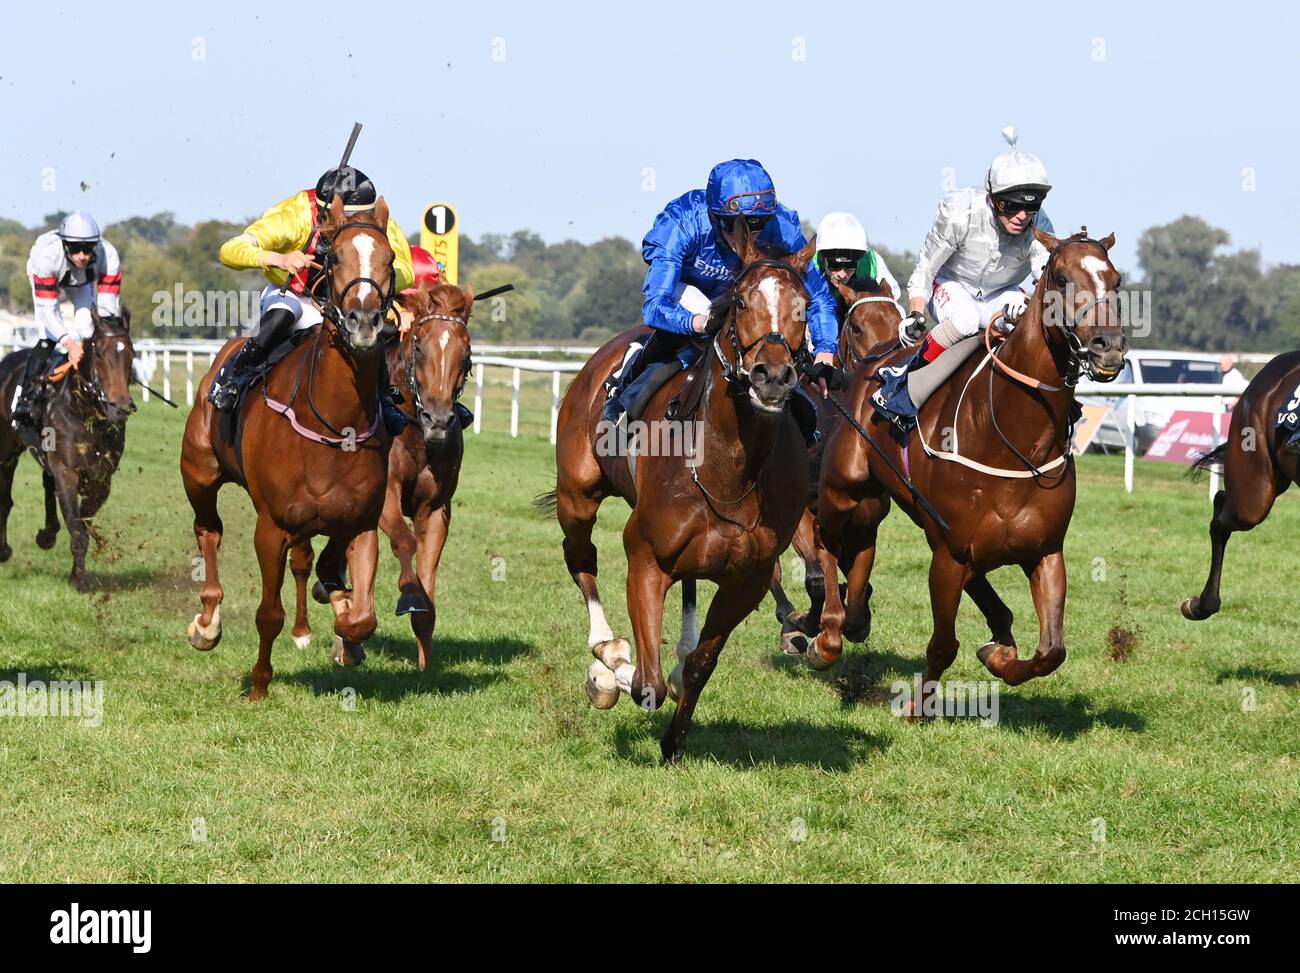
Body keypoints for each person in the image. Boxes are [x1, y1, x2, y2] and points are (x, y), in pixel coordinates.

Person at [603, 158, 841, 425]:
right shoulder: (683, 223)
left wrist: (825, 351)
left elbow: (819, 296)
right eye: (735, 224)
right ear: (714, 217)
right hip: (689, 293)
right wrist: (698, 322)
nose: (748, 236)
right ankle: (628, 384)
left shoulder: (782, 228)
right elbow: (655, 305)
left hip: (747, 297)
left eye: (759, 223)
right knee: (705, 321)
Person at [872, 128, 1056, 430]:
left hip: (1002, 291)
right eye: (1012, 205)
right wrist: (916, 313)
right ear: (993, 198)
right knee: (967, 319)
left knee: (1024, 318)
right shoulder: (960, 212)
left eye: (1031, 205)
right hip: (952, 285)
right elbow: (925, 269)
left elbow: (1043, 277)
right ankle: (903, 377)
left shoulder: (1040, 225)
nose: (1023, 215)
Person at [207, 166, 413, 431]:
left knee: (380, 330)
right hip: (296, 295)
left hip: (342, 305)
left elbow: (406, 271)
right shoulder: (297, 213)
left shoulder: (373, 220)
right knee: (283, 314)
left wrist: (369, 268)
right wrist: (278, 258)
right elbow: (230, 250)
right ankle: (234, 378)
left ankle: (383, 397)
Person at [12, 212, 122, 429]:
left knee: (87, 328)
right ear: (64, 245)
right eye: (74, 248)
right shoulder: (47, 256)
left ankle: (95, 391)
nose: (81, 255)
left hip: (82, 282)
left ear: (95, 246)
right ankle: (24, 399)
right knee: (49, 336)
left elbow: (107, 312)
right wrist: (70, 345)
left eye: (87, 249)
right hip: (46, 273)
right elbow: (49, 312)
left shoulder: (109, 256)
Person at [813, 211, 900, 298]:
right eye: (834, 265)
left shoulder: (872, 262)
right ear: (822, 258)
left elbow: (894, 298)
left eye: (851, 265)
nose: (842, 275)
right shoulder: (809, 266)